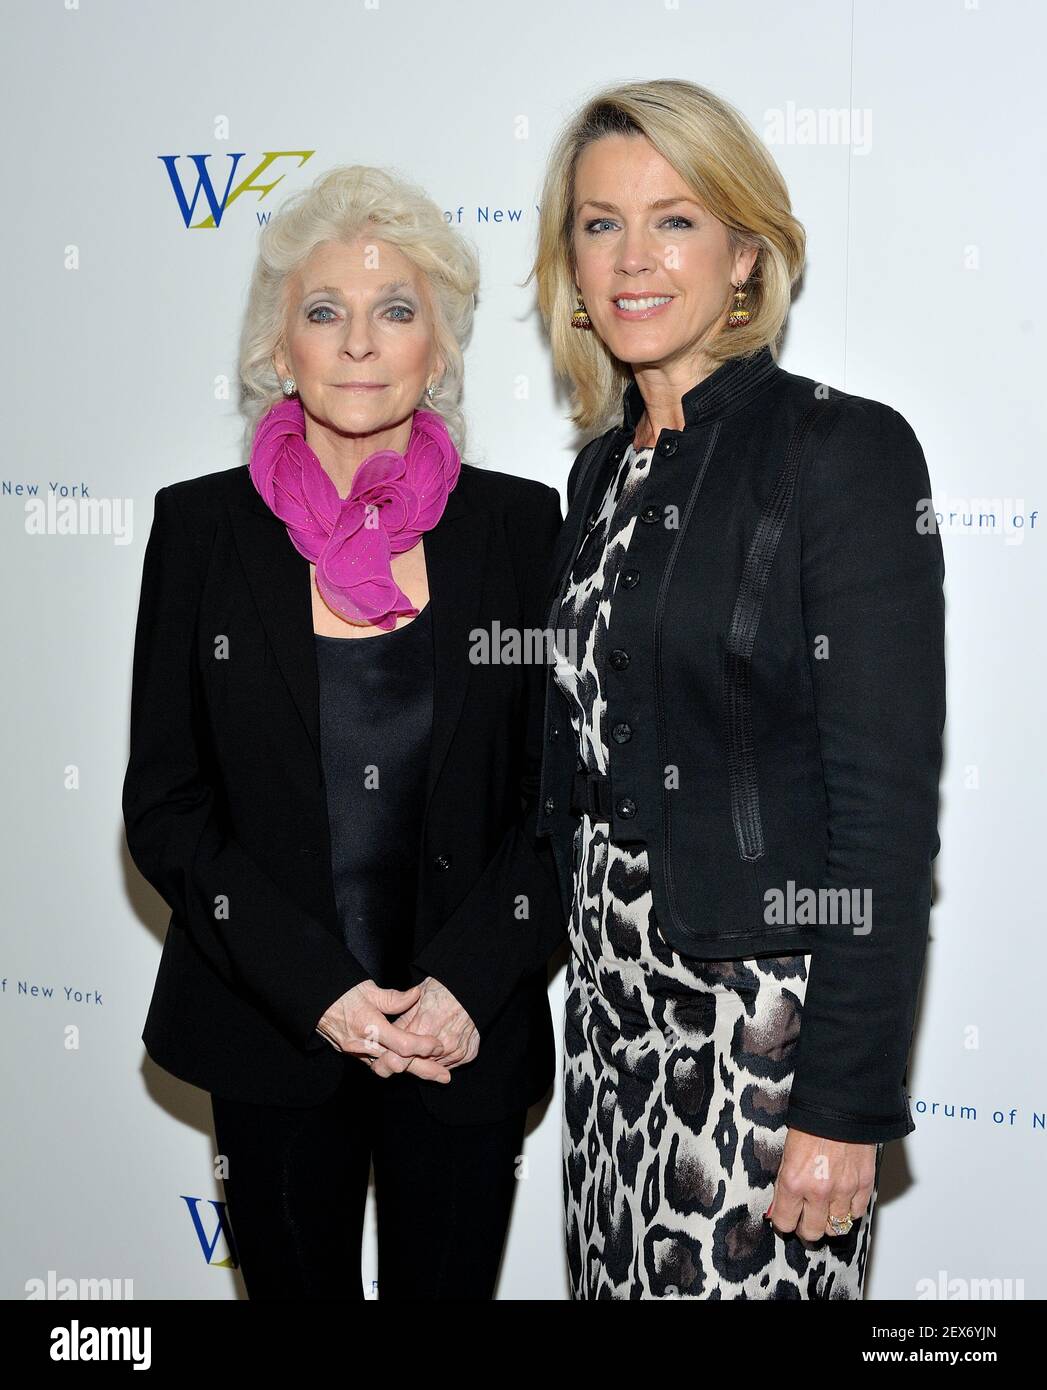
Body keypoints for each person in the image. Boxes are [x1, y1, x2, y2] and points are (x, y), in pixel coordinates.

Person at [528, 80, 946, 1299]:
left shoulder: (842, 450)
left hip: (759, 1039)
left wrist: (846, 1099)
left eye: (675, 220)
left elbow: (883, 810)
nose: (633, 259)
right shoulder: (599, 474)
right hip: (607, 1027)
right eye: (600, 224)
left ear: (746, 249)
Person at [122, 164, 565, 1300]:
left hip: (460, 1042)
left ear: (444, 349)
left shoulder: (520, 527)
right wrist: (313, 984)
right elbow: (167, 805)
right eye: (325, 311)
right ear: (279, 346)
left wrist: (469, 983)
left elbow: (558, 797)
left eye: (396, 310)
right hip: (269, 1036)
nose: (360, 342)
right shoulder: (200, 529)